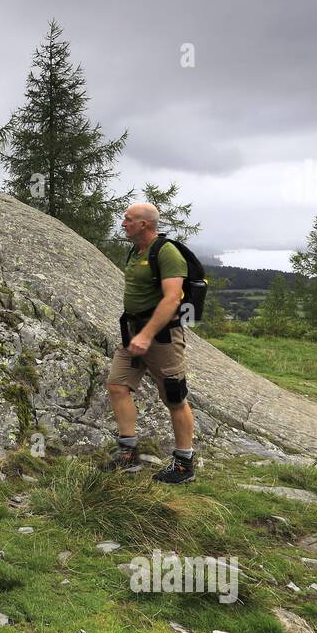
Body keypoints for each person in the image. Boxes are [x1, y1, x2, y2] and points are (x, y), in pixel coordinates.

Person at [105, 202, 196, 484]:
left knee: (174, 397)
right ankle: (128, 455)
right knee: (117, 385)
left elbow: (172, 298)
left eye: (128, 219)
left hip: (162, 337)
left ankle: (183, 465)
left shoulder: (167, 253)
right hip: (132, 333)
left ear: (144, 224)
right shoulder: (135, 250)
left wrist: (146, 335)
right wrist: (137, 334)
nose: (123, 223)